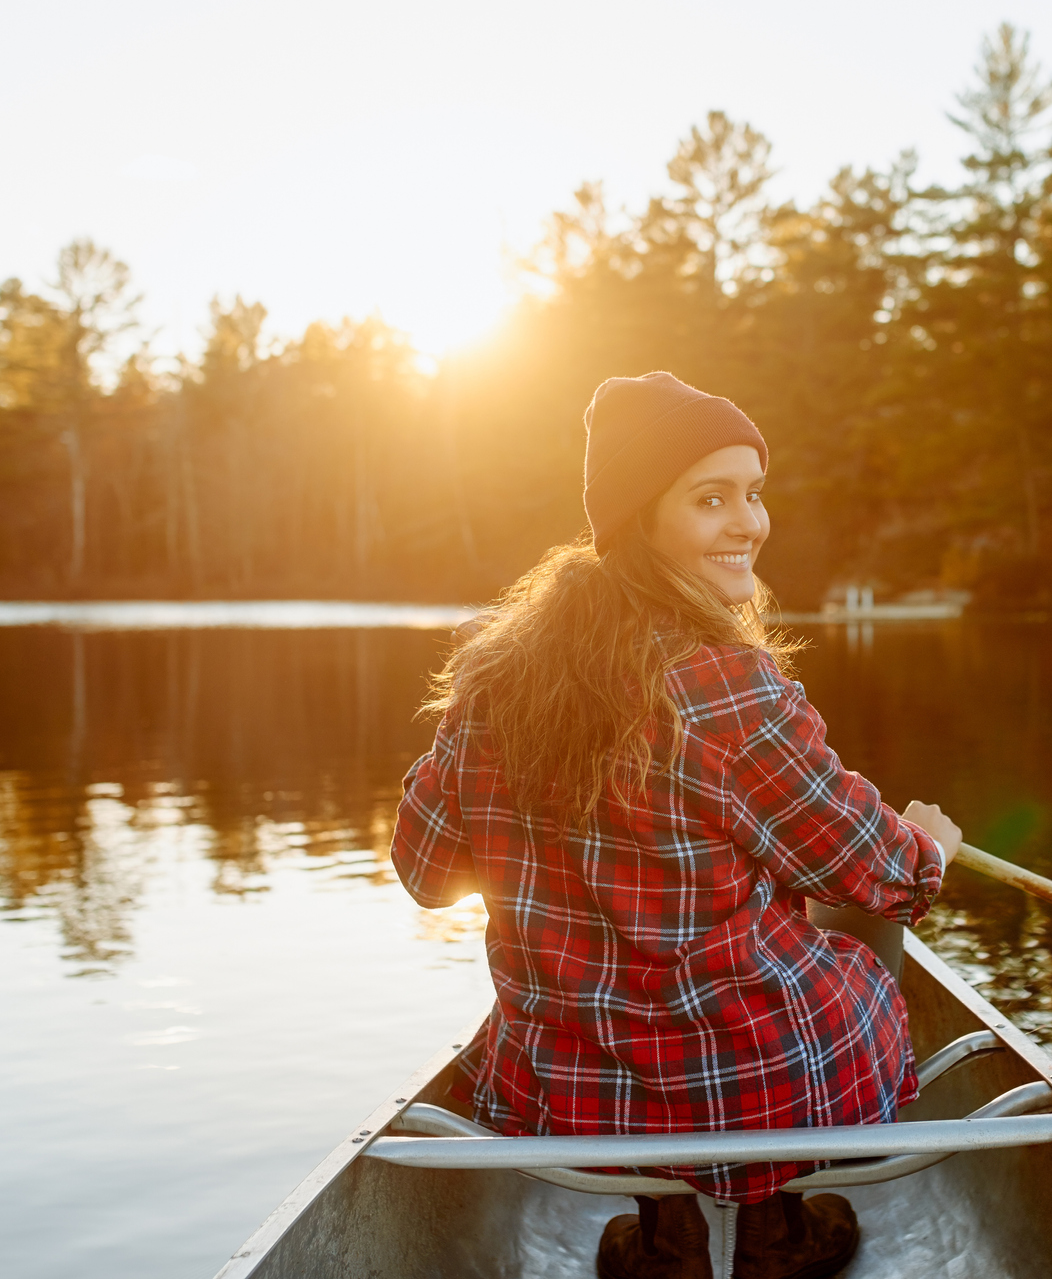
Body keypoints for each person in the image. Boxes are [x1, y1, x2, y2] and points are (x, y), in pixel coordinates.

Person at [393, 371, 962, 1279]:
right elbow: (883, 875)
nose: (750, 522)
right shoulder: (727, 688)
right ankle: (773, 1235)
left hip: (568, 1094)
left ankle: (667, 1238)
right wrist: (932, 844)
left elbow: (428, 873)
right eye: (711, 499)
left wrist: (477, 710)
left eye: (752, 493)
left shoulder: (493, 682)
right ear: (638, 518)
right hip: (752, 1083)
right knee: (838, 931)